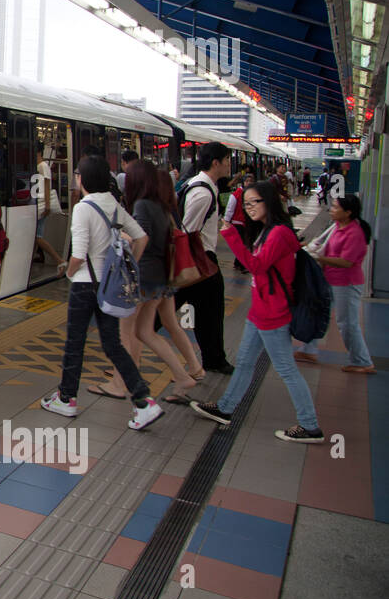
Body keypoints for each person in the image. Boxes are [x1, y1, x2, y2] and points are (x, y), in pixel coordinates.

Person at [191, 181, 324, 443]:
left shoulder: (278, 234)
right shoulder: (268, 230)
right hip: (261, 309)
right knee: (245, 362)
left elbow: (256, 266)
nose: (250, 208)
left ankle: (310, 426)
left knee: (285, 368)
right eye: (246, 203)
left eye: (255, 202)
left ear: (270, 202)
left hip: (273, 312)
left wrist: (230, 236)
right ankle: (226, 408)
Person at [41, 155, 162, 431]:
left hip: (84, 285)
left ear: (82, 178)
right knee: (112, 344)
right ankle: (144, 401)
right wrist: (124, 264)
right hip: (108, 285)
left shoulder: (83, 207)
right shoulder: (114, 204)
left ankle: (66, 398)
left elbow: (78, 255)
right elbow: (141, 237)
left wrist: (69, 272)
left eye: (77, 174)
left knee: (75, 341)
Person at [90, 159, 203, 404]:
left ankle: (120, 384)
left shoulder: (141, 205)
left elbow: (139, 239)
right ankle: (183, 375)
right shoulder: (161, 205)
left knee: (125, 334)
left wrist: (117, 232)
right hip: (159, 279)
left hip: (141, 278)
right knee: (145, 332)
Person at [295, 195, 375, 374]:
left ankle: (362, 361)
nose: (331, 209)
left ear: (348, 212)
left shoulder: (355, 233)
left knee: (347, 323)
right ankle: (308, 350)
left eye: (336, 207)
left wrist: (317, 257)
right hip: (329, 279)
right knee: (316, 311)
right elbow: (324, 245)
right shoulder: (337, 226)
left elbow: (346, 262)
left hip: (346, 283)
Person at [175, 141, 234, 374]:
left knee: (205, 311)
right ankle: (214, 359)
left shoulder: (202, 185)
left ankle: (214, 358)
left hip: (199, 259)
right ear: (216, 162)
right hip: (200, 260)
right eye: (227, 160)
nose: (230, 165)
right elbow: (188, 231)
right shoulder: (202, 192)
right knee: (208, 310)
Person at [35, 141, 65, 267]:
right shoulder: (39, 166)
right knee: (36, 237)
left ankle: (59, 260)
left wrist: (47, 205)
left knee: (37, 236)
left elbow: (47, 185)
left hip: (42, 205)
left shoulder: (42, 166)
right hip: (39, 203)